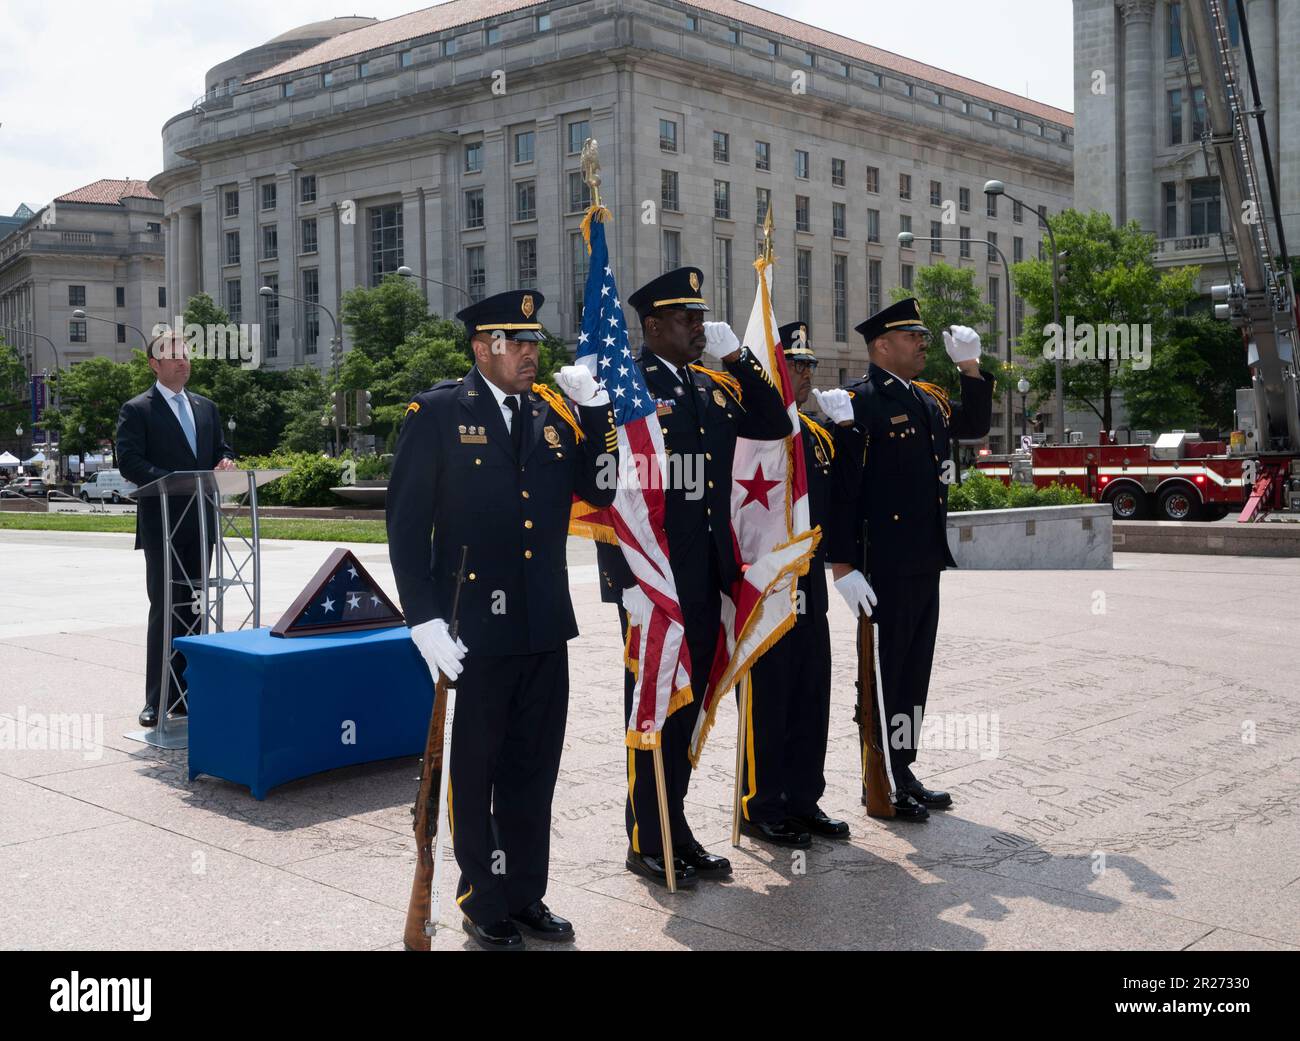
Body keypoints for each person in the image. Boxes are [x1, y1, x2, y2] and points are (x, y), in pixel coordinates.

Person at [386, 289, 617, 950]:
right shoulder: (435, 413)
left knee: (532, 769)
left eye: (533, 341)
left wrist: (597, 413)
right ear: (480, 347)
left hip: (544, 622)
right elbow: (405, 527)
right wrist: (422, 618)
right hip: (472, 630)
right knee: (476, 768)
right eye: (515, 342)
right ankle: (480, 896)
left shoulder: (552, 414)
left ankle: (525, 893)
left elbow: (601, 488)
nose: (530, 352)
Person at [596, 266, 790, 888]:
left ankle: (675, 827)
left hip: (706, 580)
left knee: (689, 708)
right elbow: (608, 491)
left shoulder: (711, 386)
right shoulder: (625, 385)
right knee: (656, 707)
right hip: (654, 585)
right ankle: (645, 839)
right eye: (687, 319)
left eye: (701, 317)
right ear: (652, 326)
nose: (699, 327)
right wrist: (620, 580)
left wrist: (739, 358)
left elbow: (774, 422)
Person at [826, 298, 992, 821]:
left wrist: (971, 370)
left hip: (923, 557)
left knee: (914, 670)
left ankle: (905, 766)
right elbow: (842, 491)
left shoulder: (927, 400)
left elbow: (973, 428)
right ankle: (882, 775)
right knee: (885, 673)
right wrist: (843, 563)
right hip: (882, 564)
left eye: (924, 336)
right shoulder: (858, 401)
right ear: (881, 346)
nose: (923, 343)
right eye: (912, 337)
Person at [737, 322, 861, 848]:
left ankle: (804, 800)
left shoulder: (818, 434)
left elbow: (847, 498)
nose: (805, 371)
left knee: (811, 693)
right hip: (767, 582)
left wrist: (851, 431)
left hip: (808, 580)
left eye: (809, 364)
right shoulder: (752, 432)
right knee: (769, 700)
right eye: (794, 363)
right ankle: (760, 806)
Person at [116, 331, 235, 730]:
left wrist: (225, 464)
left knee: (196, 610)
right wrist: (174, 480)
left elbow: (222, 450)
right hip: (164, 525)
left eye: (186, 355)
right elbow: (130, 462)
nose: (182, 361)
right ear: (154, 365)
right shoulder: (137, 410)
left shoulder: (206, 407)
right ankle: (157, 699)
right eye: (173, 356)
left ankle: (189, 695)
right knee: (165, 609)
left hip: (201, 524)